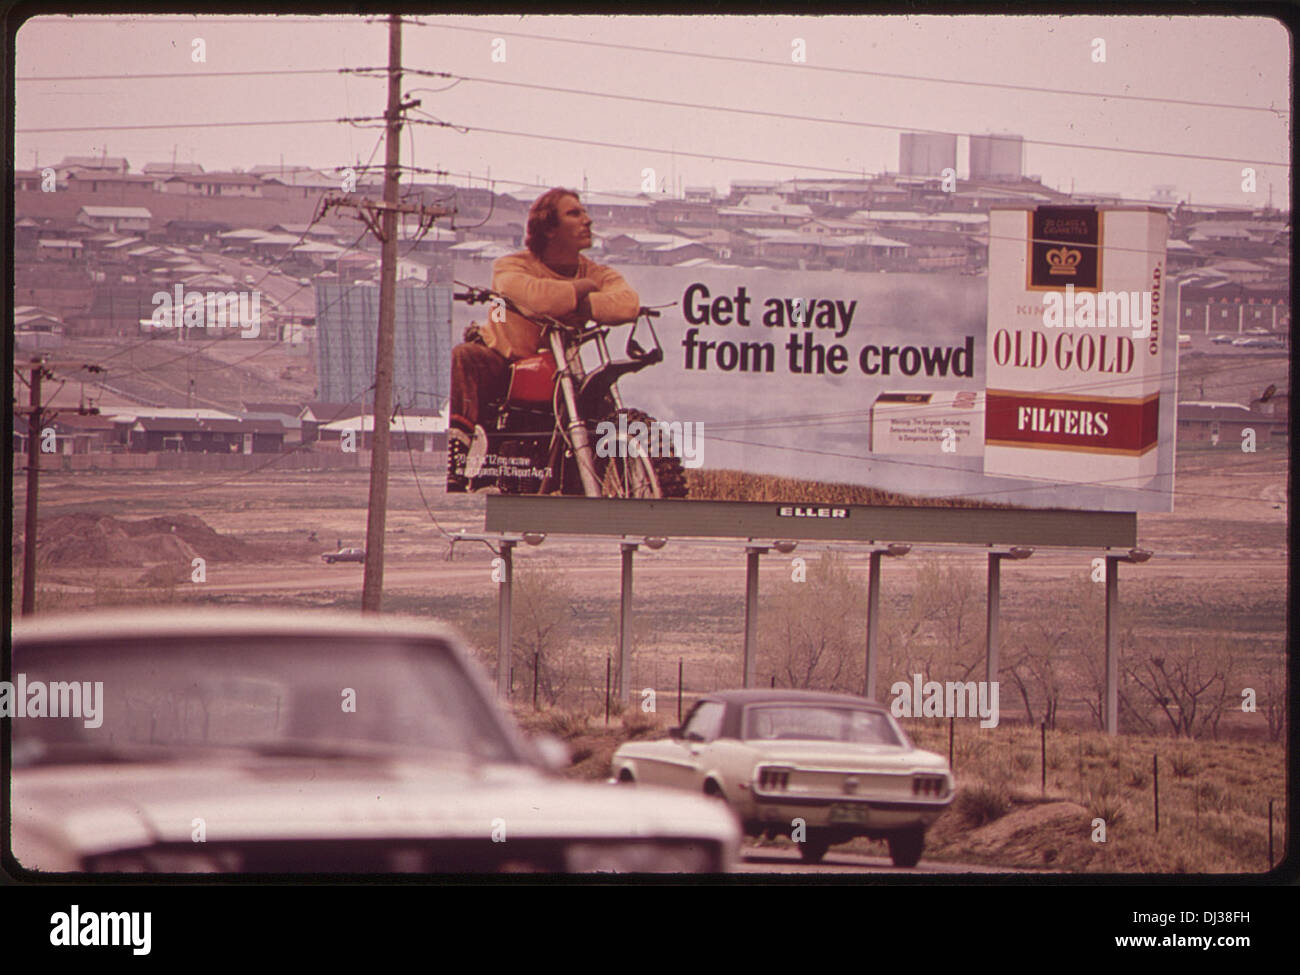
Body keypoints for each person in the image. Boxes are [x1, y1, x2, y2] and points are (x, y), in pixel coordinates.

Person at [447, 188, 640, 491]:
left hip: (560, 370)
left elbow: (627, 304)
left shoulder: (598, 272)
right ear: (549, 228)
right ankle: (457, 457)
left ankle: (594, 483)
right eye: (574, 213)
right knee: (466, 355)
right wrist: (582, 289)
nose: (587, 221)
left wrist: (579, 302)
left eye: (584, 212)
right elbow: (534, 298)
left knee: (600, 407)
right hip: (506, 361)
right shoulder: (510, 266)